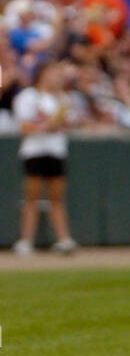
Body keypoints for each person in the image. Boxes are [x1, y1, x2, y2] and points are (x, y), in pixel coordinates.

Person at [11, 61, 78, 255]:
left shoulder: (63, 99)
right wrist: (47, 125)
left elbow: (69, 125)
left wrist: (58, 123)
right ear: (41, 74)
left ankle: (64, 240)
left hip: (56, 151)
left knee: (56, 198)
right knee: (31, 197)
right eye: (52, 73)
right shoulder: (27, 97)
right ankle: (25, 241)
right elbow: (23, 126)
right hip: (34, 151)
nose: (56, 77)